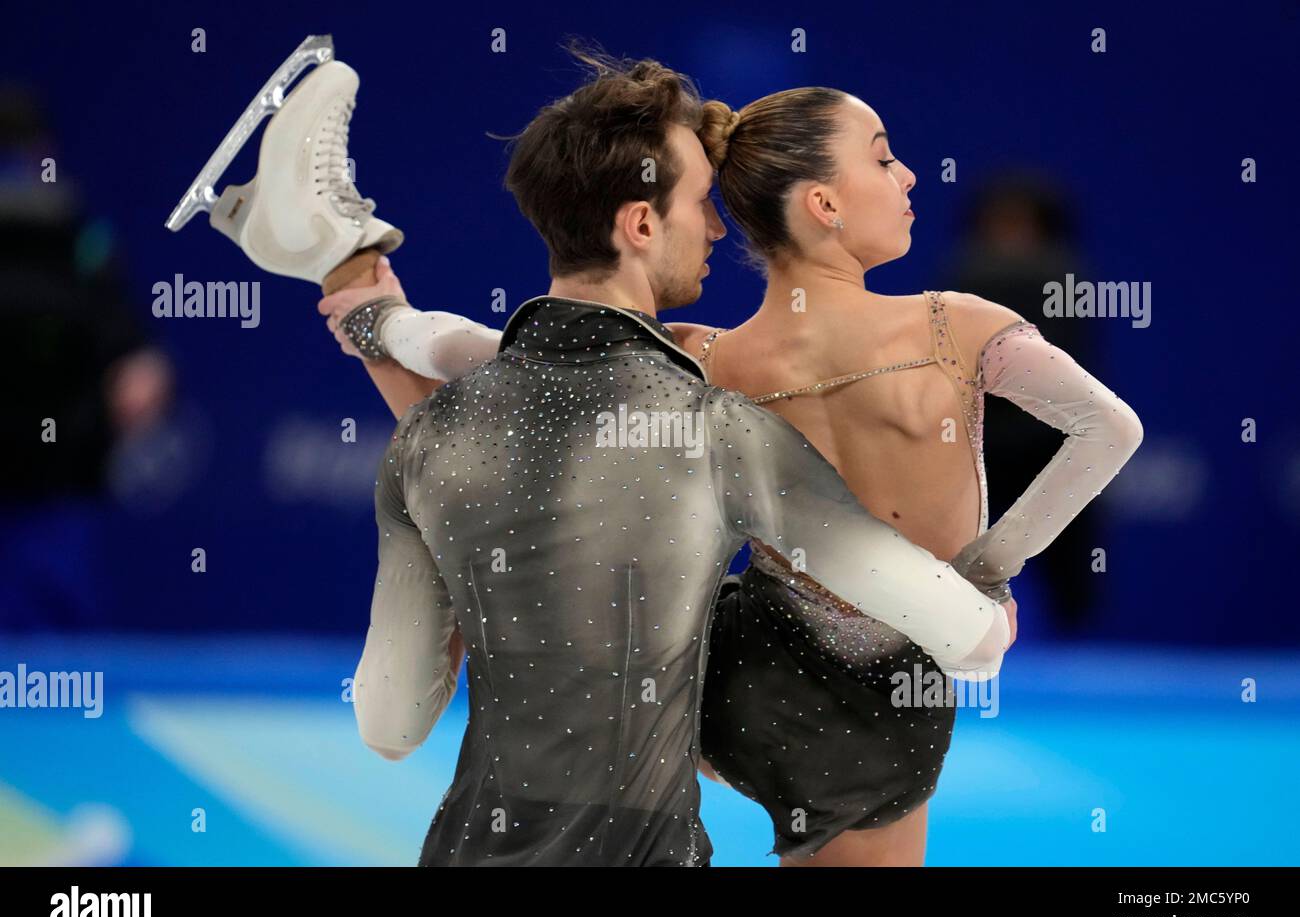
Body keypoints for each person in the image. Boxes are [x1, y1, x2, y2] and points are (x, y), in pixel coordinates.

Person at [175, 44, 1013, 866]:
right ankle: (330, 246)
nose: (718, 224)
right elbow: (965, 638)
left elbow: (390, 726)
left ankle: (330, 247)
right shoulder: (720, 432)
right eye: (699, 203)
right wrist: (988, 603)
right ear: (641, 222)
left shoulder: (431, 439)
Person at [321, 78, 1142, 866]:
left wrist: (378, 317)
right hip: (877, 701)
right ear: (823, 203)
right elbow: (1108, 430)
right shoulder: (948, 329)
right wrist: (990, 574)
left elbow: (512, 368)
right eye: (885, 159)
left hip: (732, 676)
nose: (909, 175)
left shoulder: (697, 359)